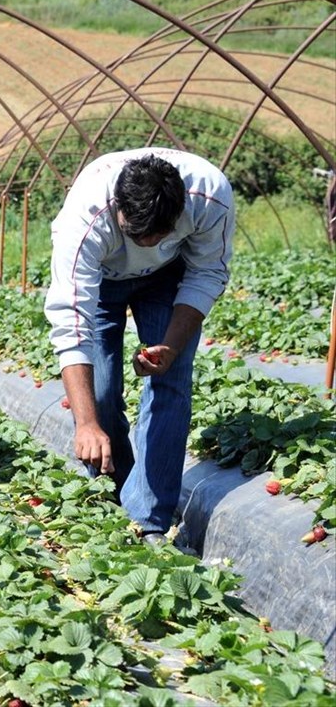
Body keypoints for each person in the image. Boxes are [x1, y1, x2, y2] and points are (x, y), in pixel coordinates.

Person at [44, 148, 235, 542]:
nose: (146, 243)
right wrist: (86, 424)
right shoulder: (86, 216)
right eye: (136, 233)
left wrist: (171, 346)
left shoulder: (209, 197)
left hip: (167, 277)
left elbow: (207, 272)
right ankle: (116, 495)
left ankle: (148, 519)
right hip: (102, 281)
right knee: (100, 396)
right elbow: (71, 319)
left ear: (179, 213)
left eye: (158, 234)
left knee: (171, 382)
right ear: (118, 207)